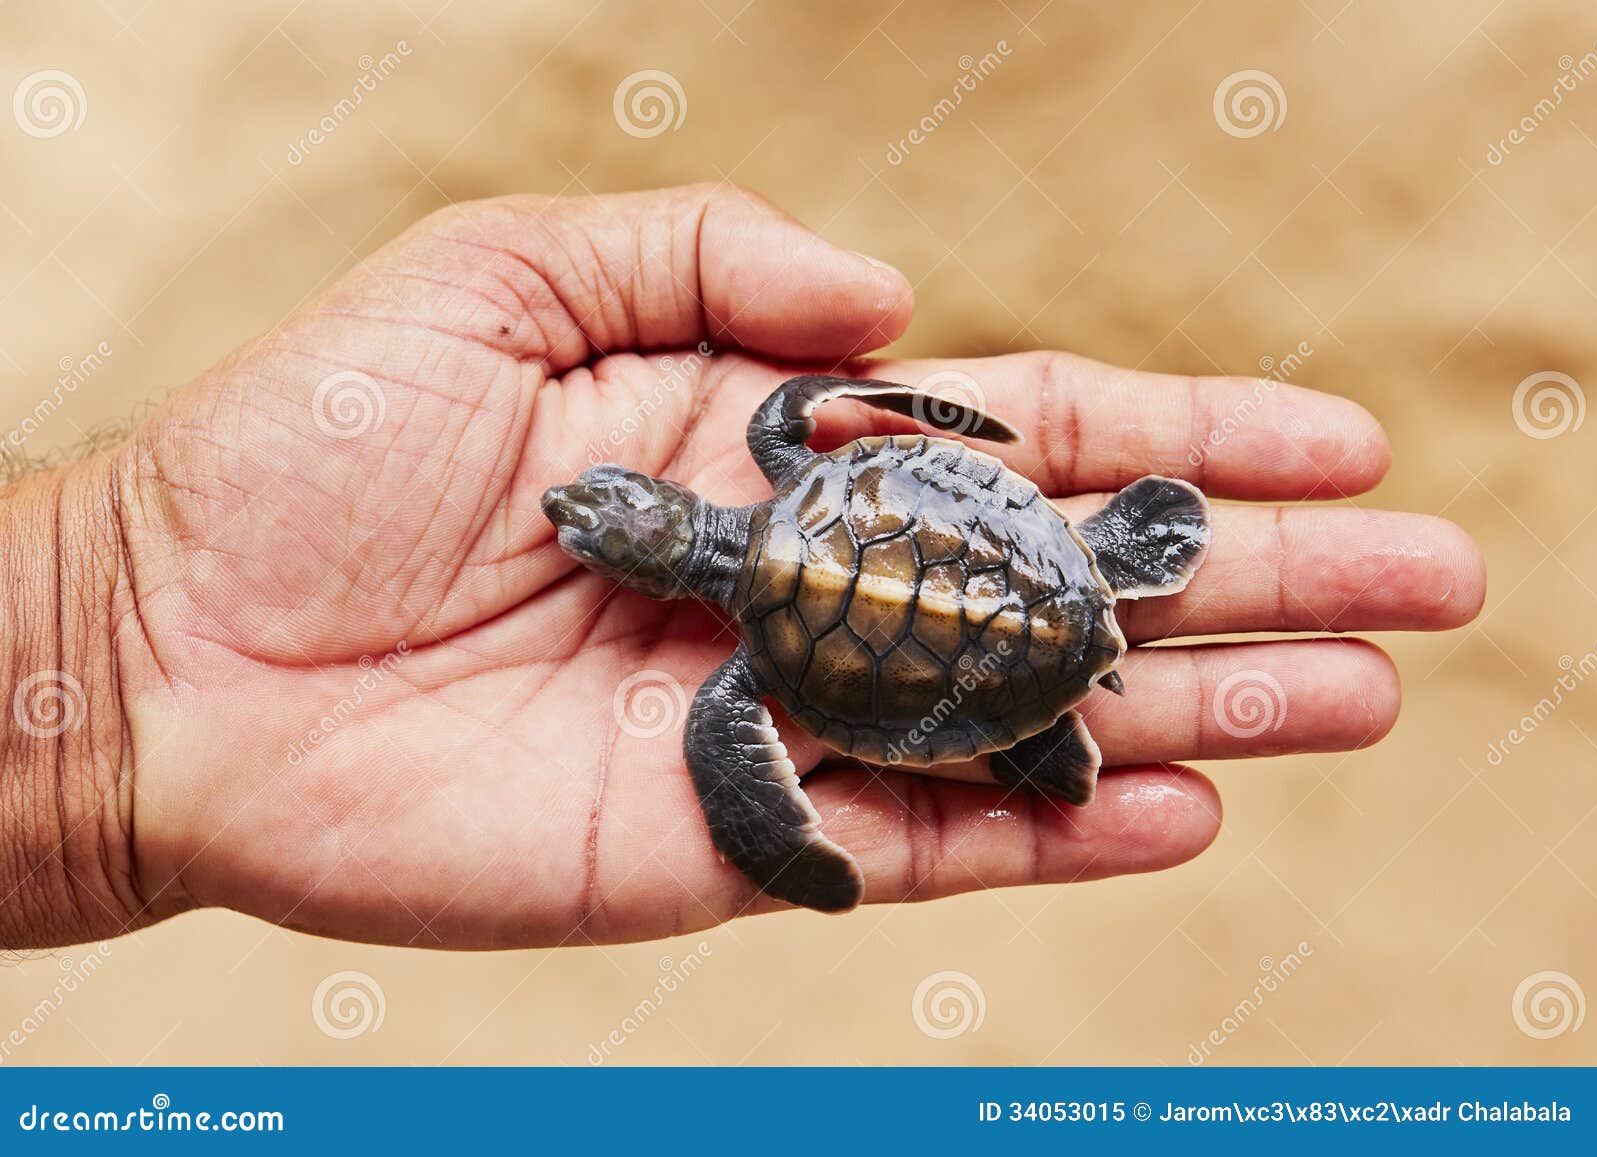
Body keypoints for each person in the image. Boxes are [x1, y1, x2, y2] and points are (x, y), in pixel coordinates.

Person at [0, 184, 1484, 950]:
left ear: (660, 555)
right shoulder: (798, 453)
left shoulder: (740, 683)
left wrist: (114, 623)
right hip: (971, 533)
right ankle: (1075, 637)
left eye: (607, 513)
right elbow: (891, 428)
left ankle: (1048, 711)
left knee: (1022, 715)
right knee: (1049, 628)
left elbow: (896, 430)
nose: (593, 516)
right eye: (607, 517)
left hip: (930, 614)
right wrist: (960, 430)